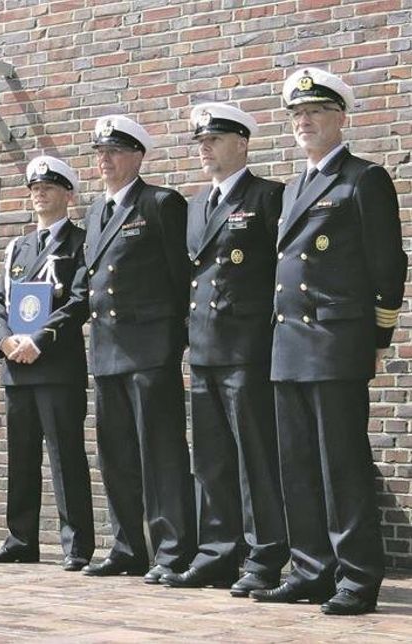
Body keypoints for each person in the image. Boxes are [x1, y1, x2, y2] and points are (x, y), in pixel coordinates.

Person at [249, 69, 407, 616]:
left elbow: (389, 265)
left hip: (336, 340)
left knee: (341, 463)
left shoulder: (364, 179)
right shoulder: (293, 187)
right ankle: (312, 569)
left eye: (315, 112)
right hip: (289, 343)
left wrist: (377, 335)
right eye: (297, 115)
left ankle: (358, 578)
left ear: (342, 118)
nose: (305, 122)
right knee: (296, 466)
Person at [161, 103, 288, 595]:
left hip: (247, 348)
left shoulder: (268, 196)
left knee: (256, 458)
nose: (206, 149)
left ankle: (266, 556)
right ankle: (216, 553)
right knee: (211, 460)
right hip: (205, 348)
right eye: (200, 142)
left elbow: (280, 274)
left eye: (215, 139)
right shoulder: (196, 206)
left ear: (242, 143)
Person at [79, 115, 195, 583]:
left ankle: (172, 550)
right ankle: (128, 547)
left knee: (161, 453)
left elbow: (180, 278)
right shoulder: (93, 213)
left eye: (115, 152)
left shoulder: (161, 203)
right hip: (107, 349)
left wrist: (173, 341)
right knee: (117, 454)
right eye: (100, 153)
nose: (105, 161)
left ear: (138, 156)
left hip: (150, 349)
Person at [0, 155, 95, 571]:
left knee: (65, 456)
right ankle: (21, 539)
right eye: (34, 189)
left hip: (56, 366)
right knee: (21, 456)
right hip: (17, 365)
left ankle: (77, 545)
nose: (39, 194)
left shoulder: (81, 242)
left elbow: (80, 299)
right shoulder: (18, 246)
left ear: (68, 194)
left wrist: (40, 340)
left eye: (48, 188)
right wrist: (5, 338)